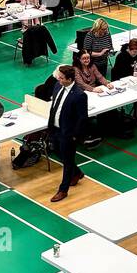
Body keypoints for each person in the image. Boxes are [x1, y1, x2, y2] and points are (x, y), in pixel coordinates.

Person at [47, 64, 88, 202]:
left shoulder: (79, 95)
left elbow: (82, 118)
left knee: (67, 161)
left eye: (62, 77)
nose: (59, 78)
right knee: (58, 153)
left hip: (68, 133)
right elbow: (54, 107)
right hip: (55, 128)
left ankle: (63, 190)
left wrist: (75, 135)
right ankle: (77, 173)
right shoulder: (58, 86)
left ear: (70, 79)